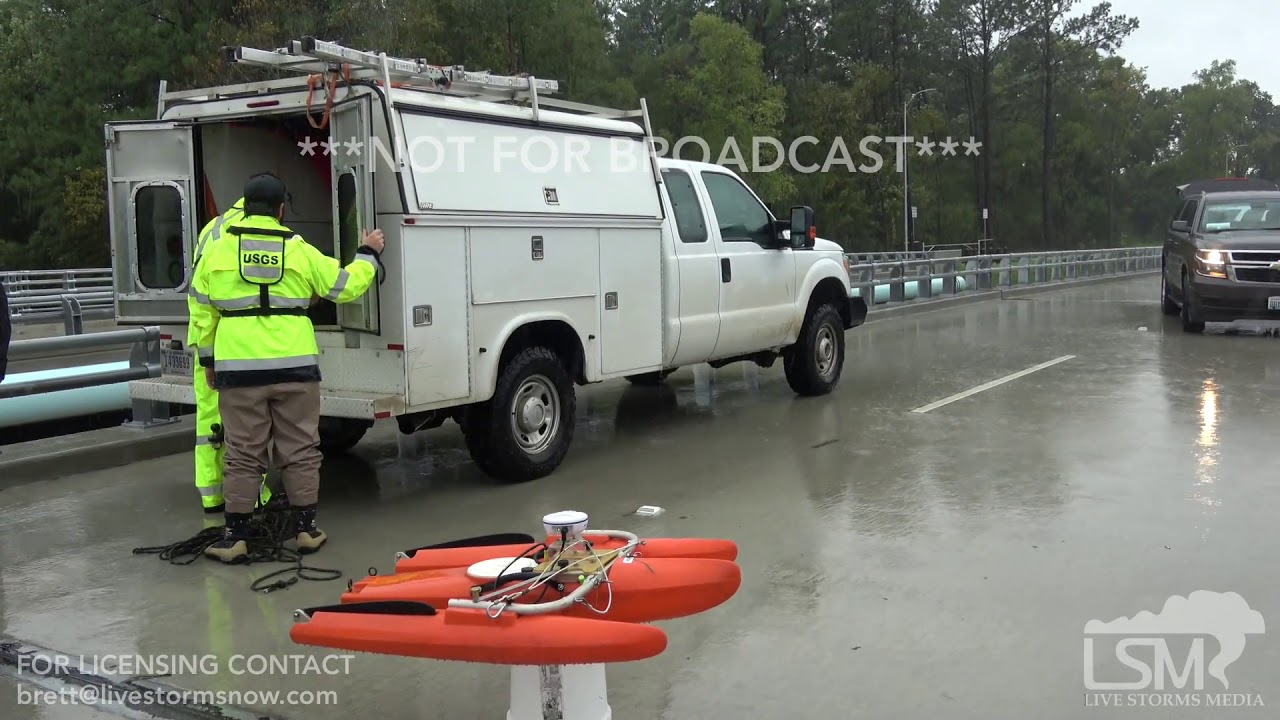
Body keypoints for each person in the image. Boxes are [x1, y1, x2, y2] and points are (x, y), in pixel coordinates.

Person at [189, 172, 383, 563]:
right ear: (281, 209)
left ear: (244, 205)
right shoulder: (297, 249)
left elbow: (201, 312)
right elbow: (345, 285)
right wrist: (368, 253)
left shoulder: (217, 250)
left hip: (239, 369)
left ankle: (235, 537)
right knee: (300, 449)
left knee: (242, 452)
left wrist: (208, 360)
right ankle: (306, 530)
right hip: (295, 368)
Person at [189, 196, 272, 513]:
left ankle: (212, 496)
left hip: (204, 335)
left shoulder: (213, 227)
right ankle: (253, 495)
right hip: (236, 339)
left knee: (209, 422)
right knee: (247, 424)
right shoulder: (252, 230)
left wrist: (205, 351)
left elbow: (200, 292)